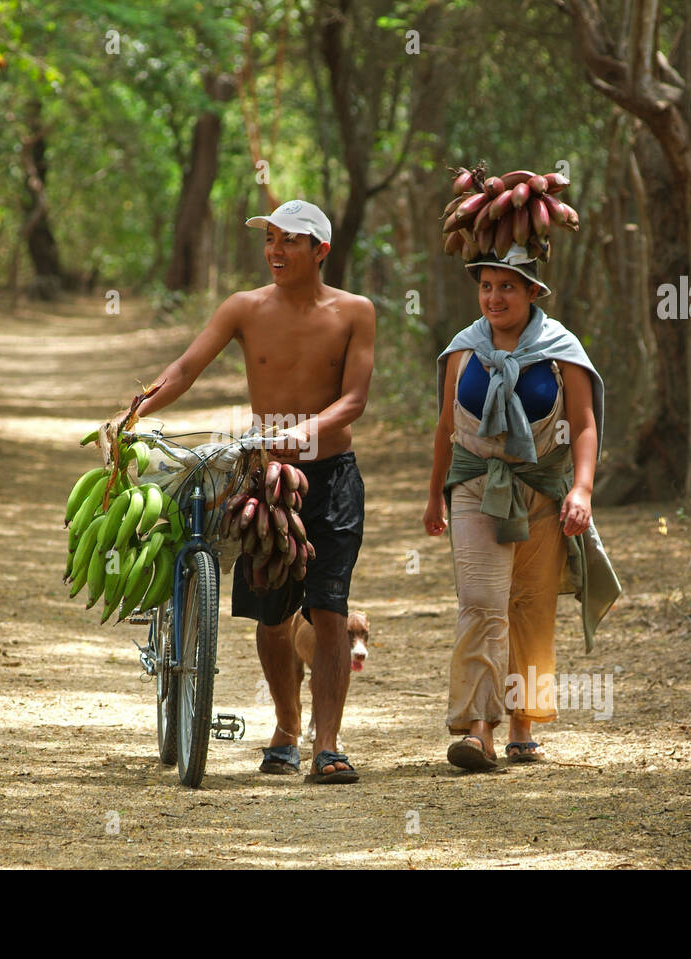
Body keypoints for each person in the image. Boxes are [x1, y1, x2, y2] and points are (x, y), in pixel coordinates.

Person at [135, 199, 375, 784]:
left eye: (290, 240)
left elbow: (354, 401)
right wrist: (134, 410)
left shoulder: (355, 311)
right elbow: (186, 368)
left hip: (332, 475)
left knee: (329, 608)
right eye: (270, 239)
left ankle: (328, 744)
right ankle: (287, 730)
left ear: (320, 250)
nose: (275, 251)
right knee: (272, 613)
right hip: (264, 480)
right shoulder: (244, 308)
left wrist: (304, 430)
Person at [423, 244, 619, 770]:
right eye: (486, 286)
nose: (494, 297)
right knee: (483, 602)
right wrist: (434, 494)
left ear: (534, 292)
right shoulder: (463, 351)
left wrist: (582, 489)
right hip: (475, 486)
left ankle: (521, 722)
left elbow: (583, 425)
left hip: (542, 487)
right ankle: (478, 730)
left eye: (507, 286)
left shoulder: (560, 350)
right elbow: (446, 429)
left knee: (530, 606)